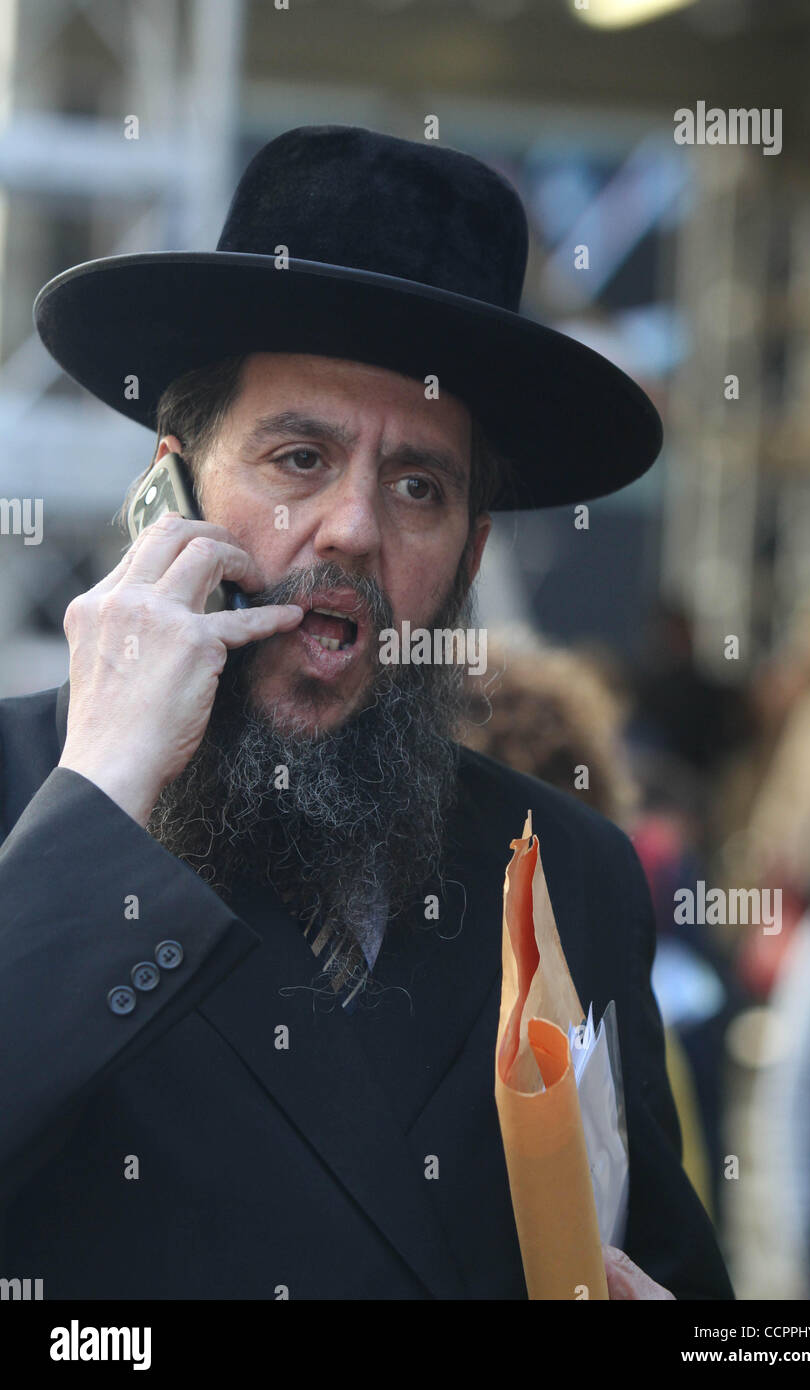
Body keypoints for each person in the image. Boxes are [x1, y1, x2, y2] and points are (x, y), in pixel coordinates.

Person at [0, 125, 732, 1300]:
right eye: (298, 457)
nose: (351, 528)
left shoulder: (567, 874)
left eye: (417, 487)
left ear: (467, 555)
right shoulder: (24, 789)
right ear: (170, 488)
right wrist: (100, 795)